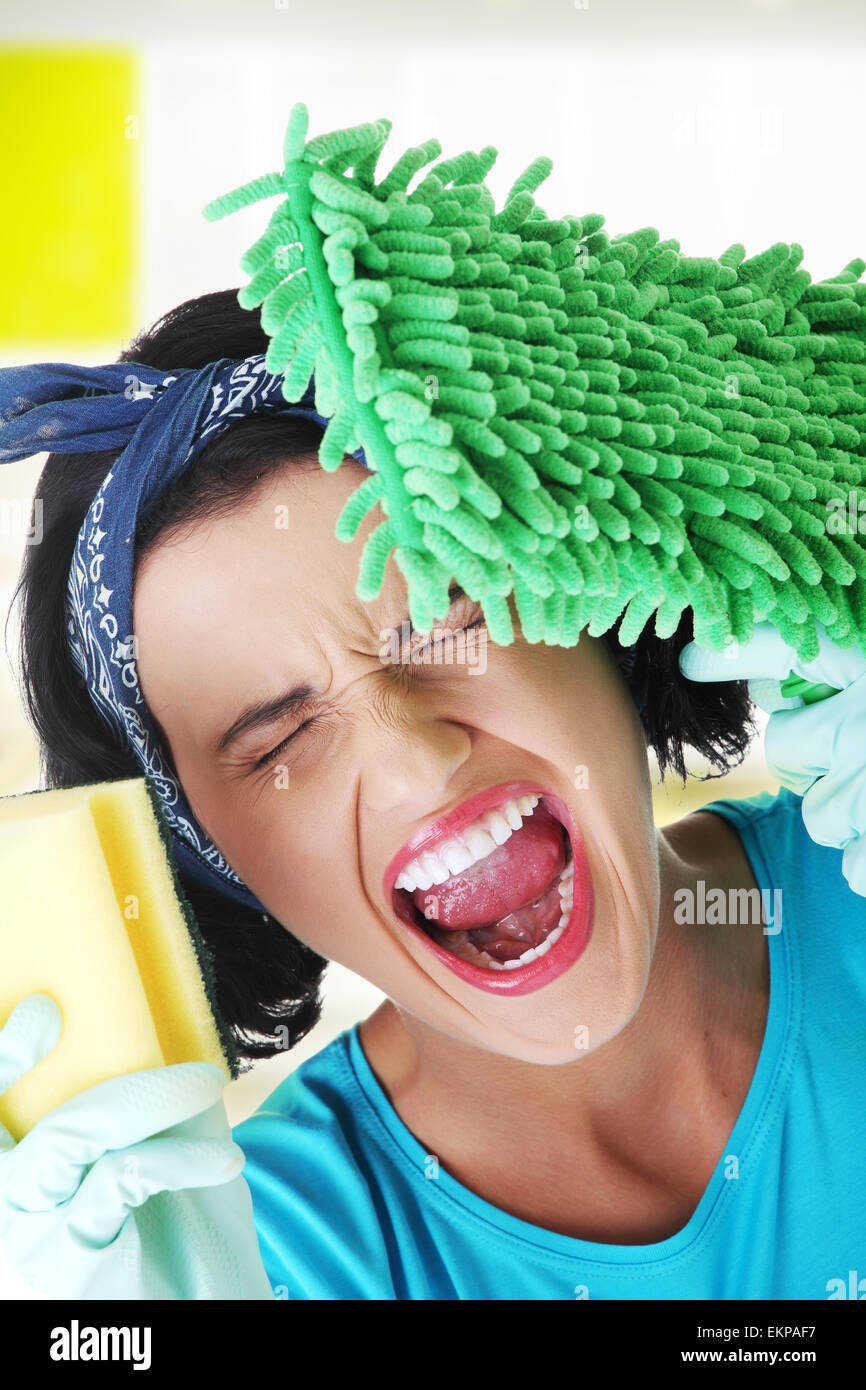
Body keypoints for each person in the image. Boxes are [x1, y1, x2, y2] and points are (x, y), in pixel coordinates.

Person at [4, 289, 865, 1300]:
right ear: (211, 862)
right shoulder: (250, 1256)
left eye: (447, 621)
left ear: (586, 597)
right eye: (279, 737)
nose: (414, 760)